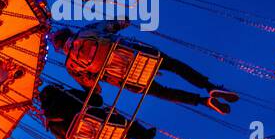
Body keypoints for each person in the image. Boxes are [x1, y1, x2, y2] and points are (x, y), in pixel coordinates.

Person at [53, 22, 239, 113]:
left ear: (60, 48)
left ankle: (202, 101)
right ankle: (210, 87)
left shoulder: (71, 66)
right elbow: (116, 23)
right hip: (138, 55)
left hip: (128, 78)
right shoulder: (86, 31)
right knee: (174, 65)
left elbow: (95, 88)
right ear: (68, 32)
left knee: (162, 92)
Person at [37, 85, 177, 139]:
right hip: (100, 121)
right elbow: (97, 101)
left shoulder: (51, 124)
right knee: (123, 124)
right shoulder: (66, 94)